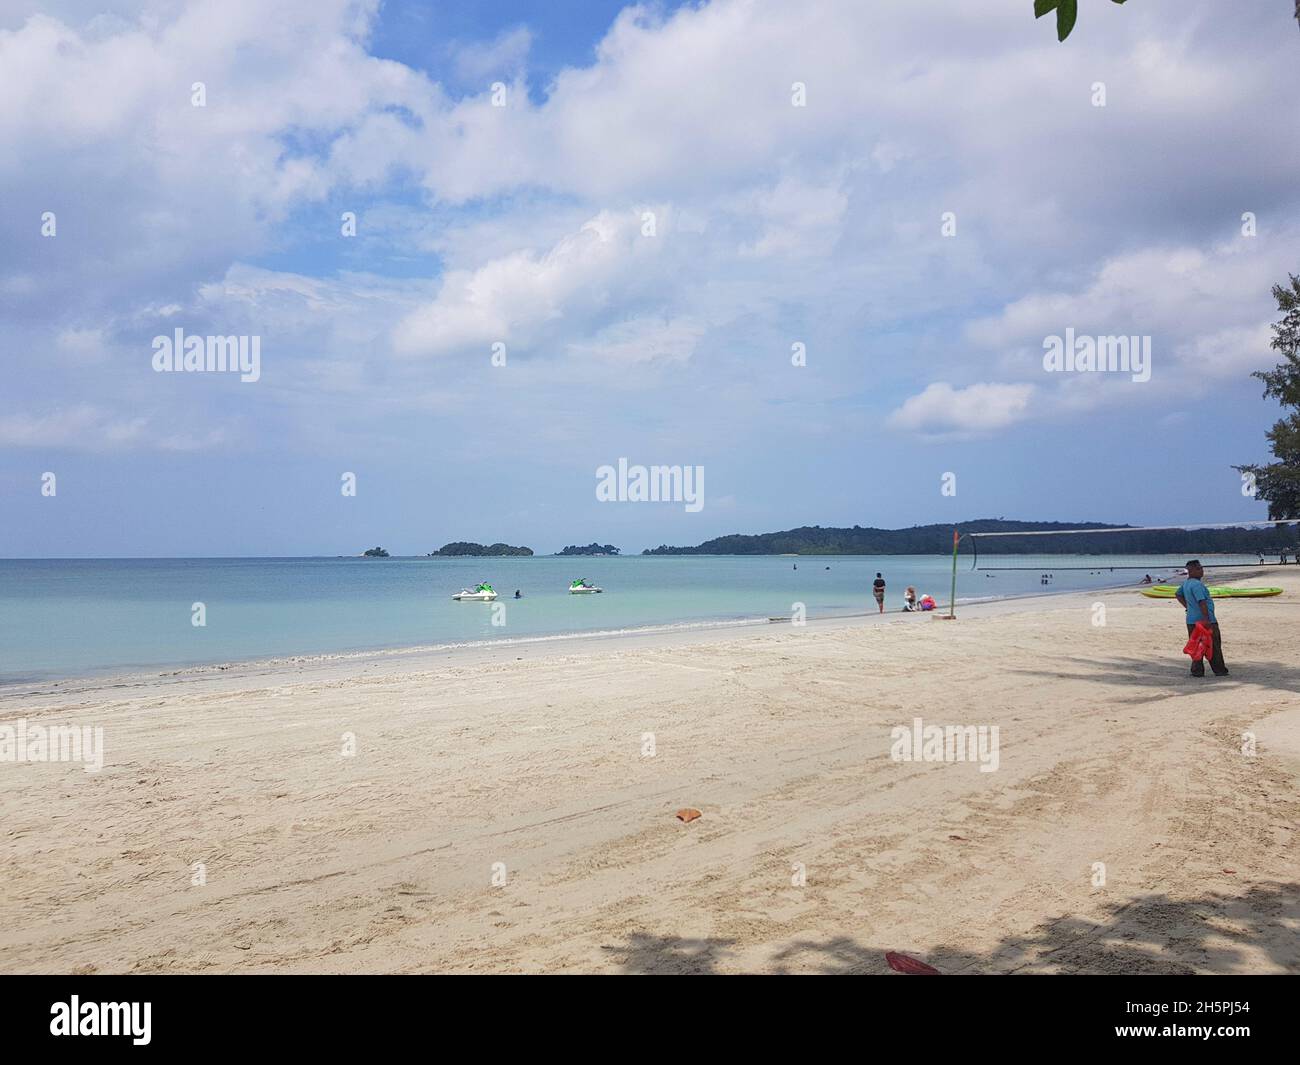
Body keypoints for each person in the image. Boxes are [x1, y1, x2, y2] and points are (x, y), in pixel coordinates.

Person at [1174, 560, 1228, 678]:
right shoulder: (1197, 585)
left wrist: (1188, 607)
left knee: (1196, 646)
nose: (1201, 570)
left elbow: (1178, 594)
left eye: (1201, 568)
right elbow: (1202, 602)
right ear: (1191, 571)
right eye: (1198, 569)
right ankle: (1219, 670)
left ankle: (1197, 671)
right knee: (1213, 645)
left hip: (1191, 621)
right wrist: (1206, 619)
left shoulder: (1186, 583)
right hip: (1205, 621)